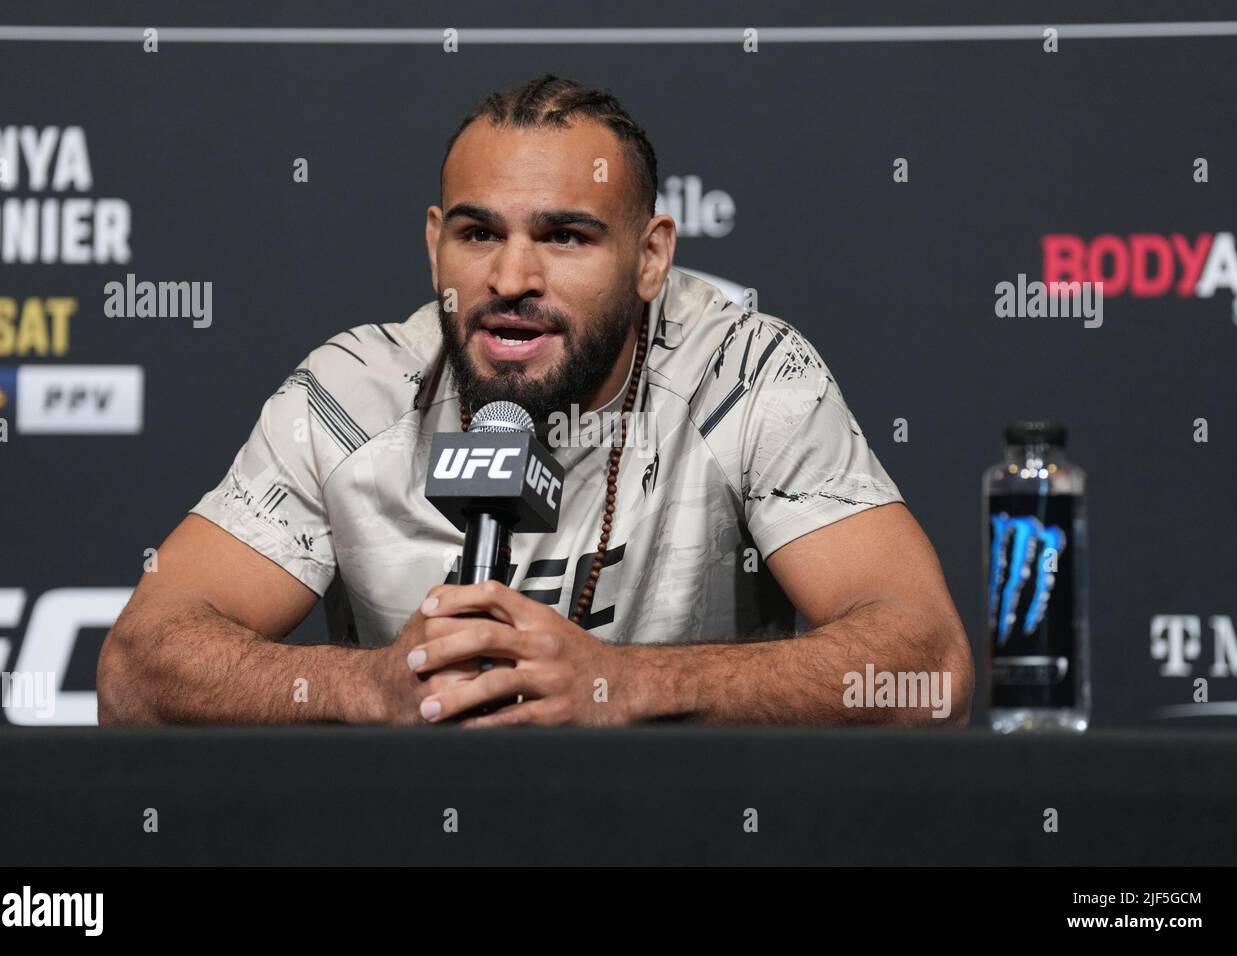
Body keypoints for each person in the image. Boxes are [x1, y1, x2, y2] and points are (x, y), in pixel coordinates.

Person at [97, 74, 973, 727]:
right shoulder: (351, 394)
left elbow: (928, 665)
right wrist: (364, 688)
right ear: (437, 247)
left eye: (564, 236)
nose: (512, 279)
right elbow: (135, 669)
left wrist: (627, 685)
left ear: (650, 258)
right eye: (479, 234)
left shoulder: (742, 374)